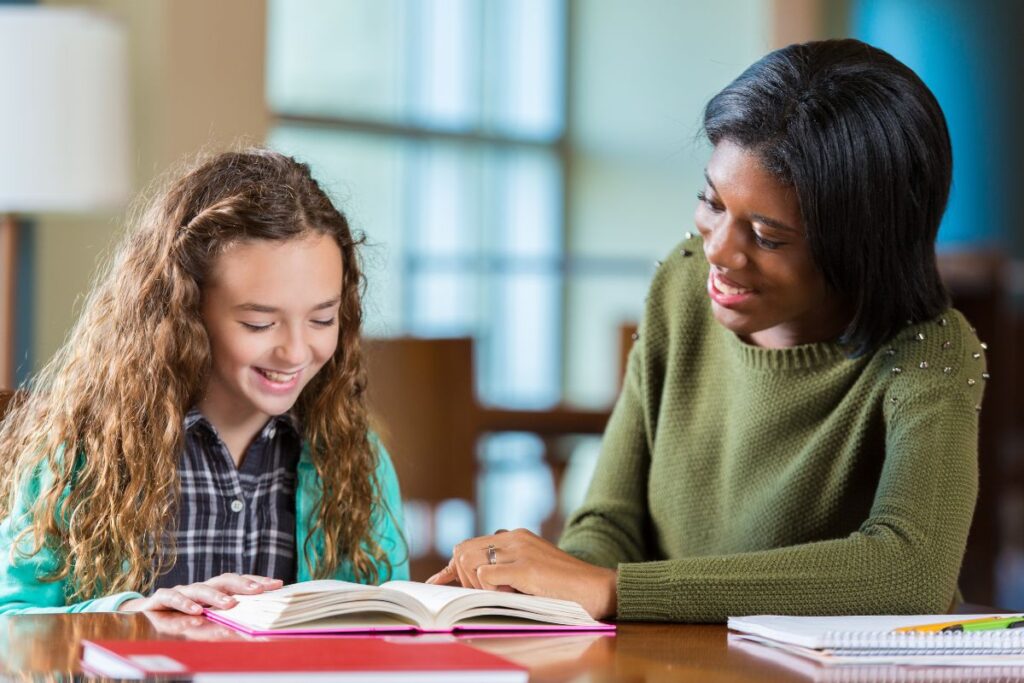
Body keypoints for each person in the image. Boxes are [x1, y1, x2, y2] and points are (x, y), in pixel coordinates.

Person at [427, 39, 987, 622]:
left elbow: (911, 570)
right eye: (711, 202)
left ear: (862, 246)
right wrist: (548, 592)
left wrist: (615, 591)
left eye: (767, 237)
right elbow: (610, 522)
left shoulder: (930, 349)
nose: (719, 252)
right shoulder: (683, 281)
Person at [0, 149, 407, 614]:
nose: (296, 352)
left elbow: (385, 622)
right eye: (259, 324)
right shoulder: (84, 451)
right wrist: (130, 617)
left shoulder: (356, 459)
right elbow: (11, 625)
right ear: (186, 312)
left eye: (322, 319)